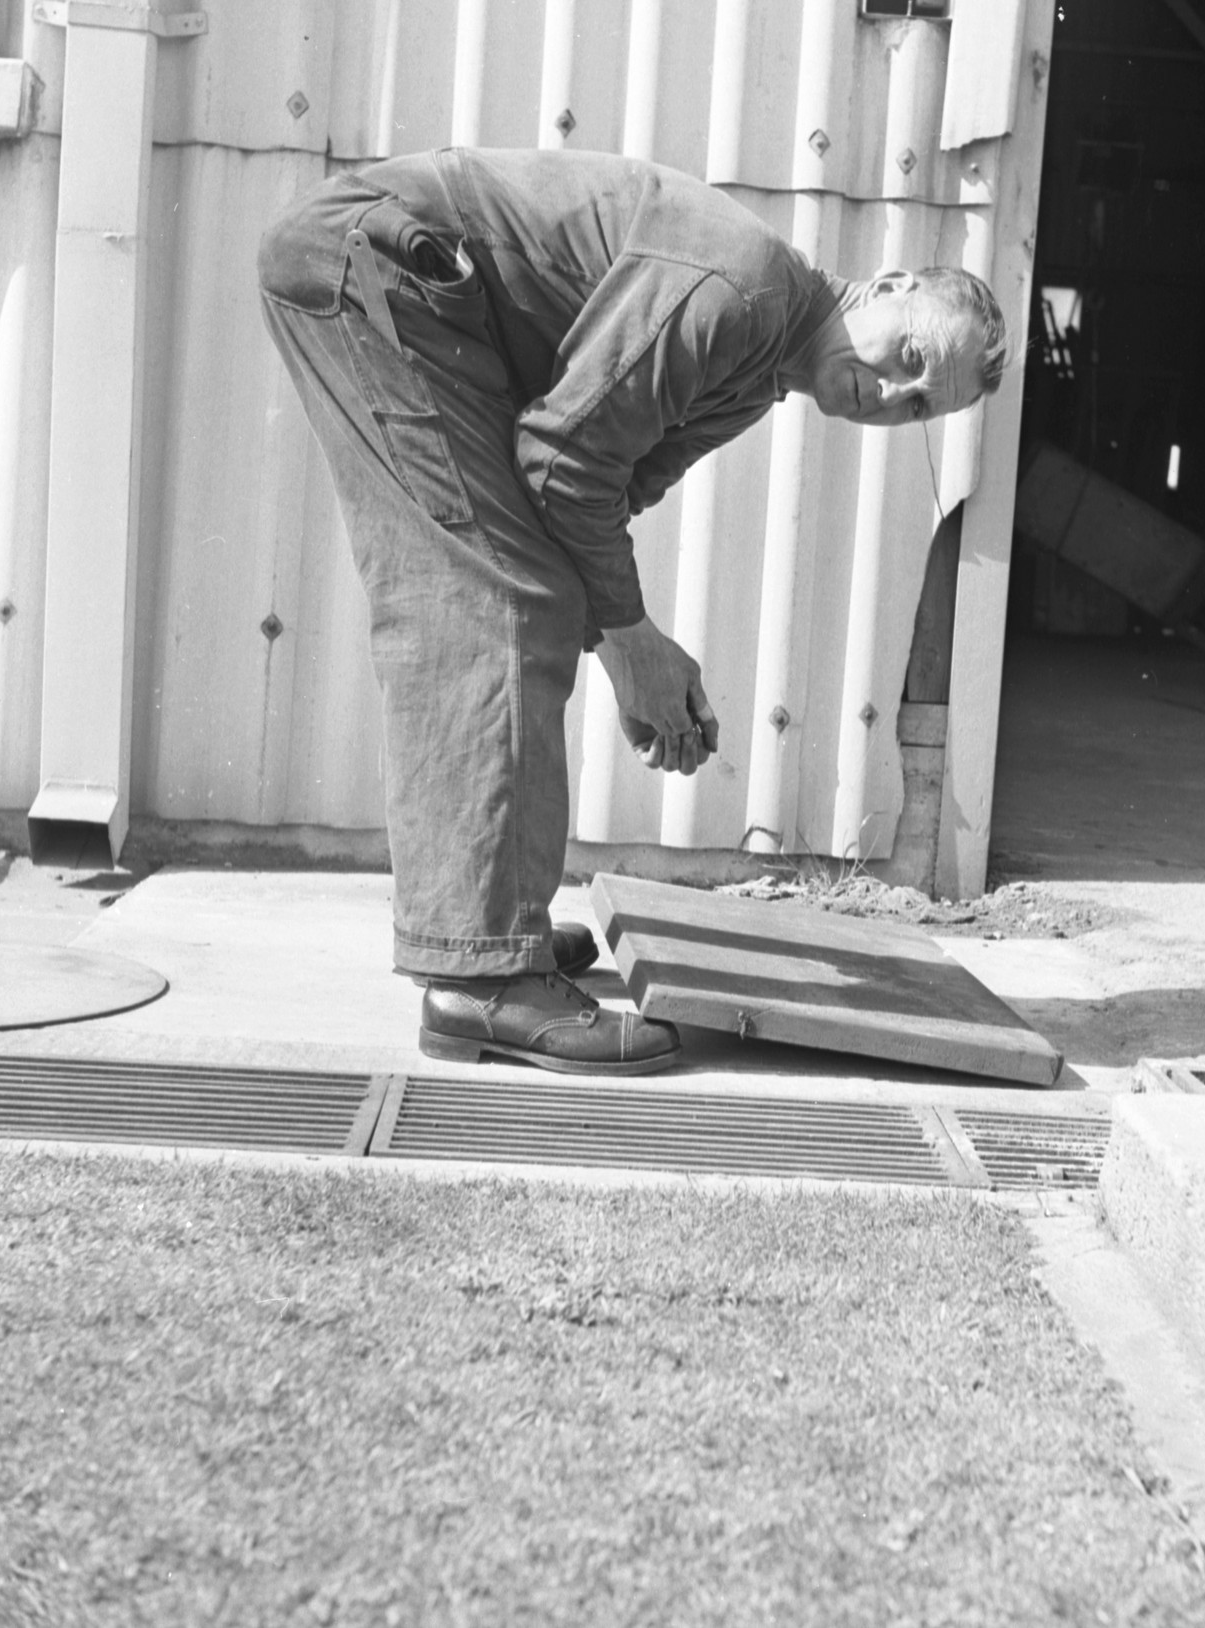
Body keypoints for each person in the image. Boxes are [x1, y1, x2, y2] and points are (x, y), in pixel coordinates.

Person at [256, 148, 1008, 1075]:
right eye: (912, 357)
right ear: (888, 285)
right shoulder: (745, 293)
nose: (894, 394)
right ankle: (481, 983)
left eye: (921, 406)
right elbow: (561, 463)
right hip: (372, 266)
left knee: (530, 590)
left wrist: (630, 652)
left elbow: (594, 495)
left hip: (395, 284)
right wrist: (634, 645)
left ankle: (498, 936)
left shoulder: (761, 369)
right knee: (490, 601)